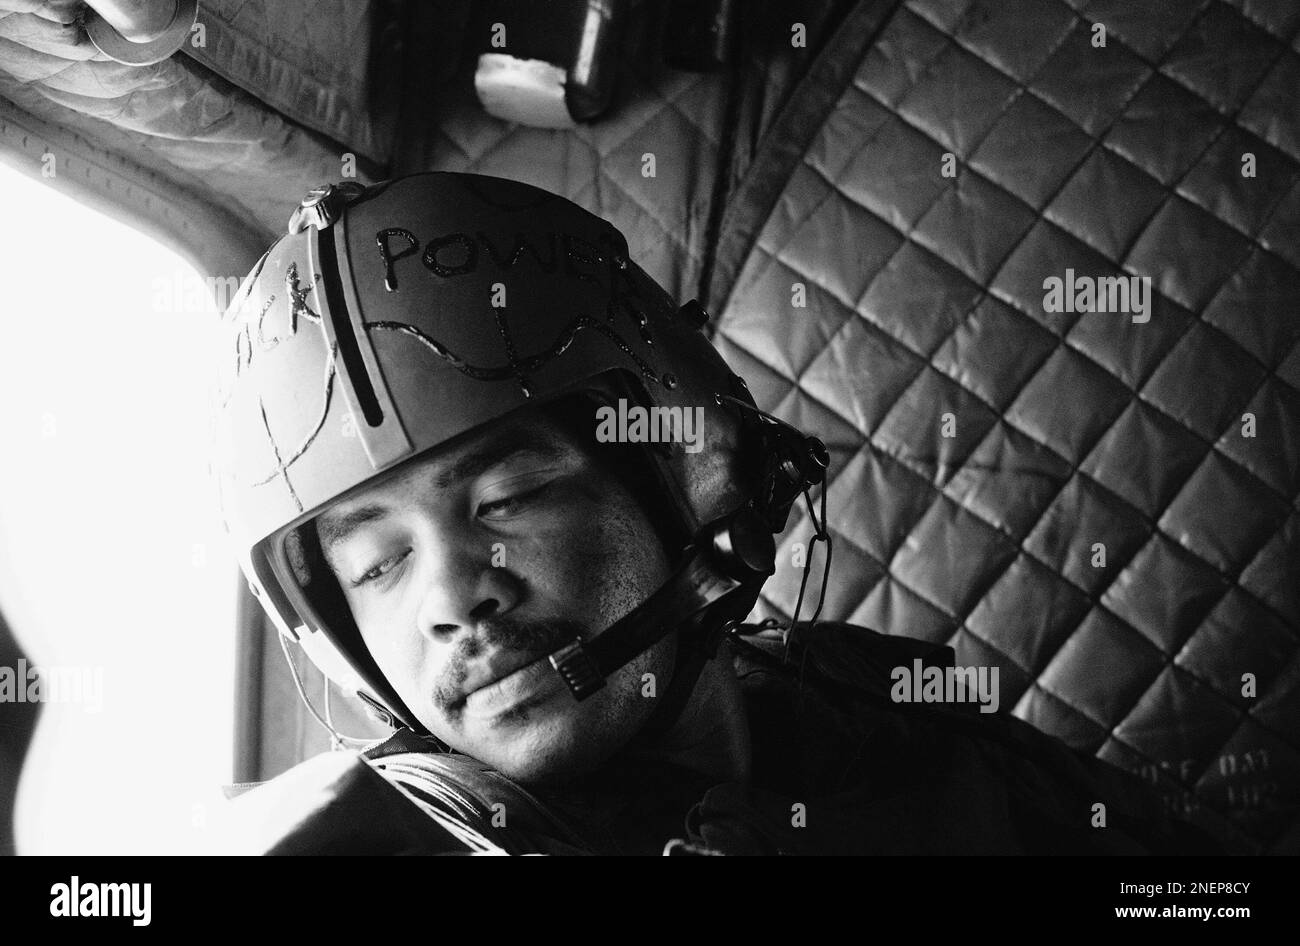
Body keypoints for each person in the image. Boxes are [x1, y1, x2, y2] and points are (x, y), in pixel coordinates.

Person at [211, 172, 1231, 855]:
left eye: (508, 496)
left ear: (686, 476)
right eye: (379, 564)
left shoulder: (863, 707)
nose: (451, 599)